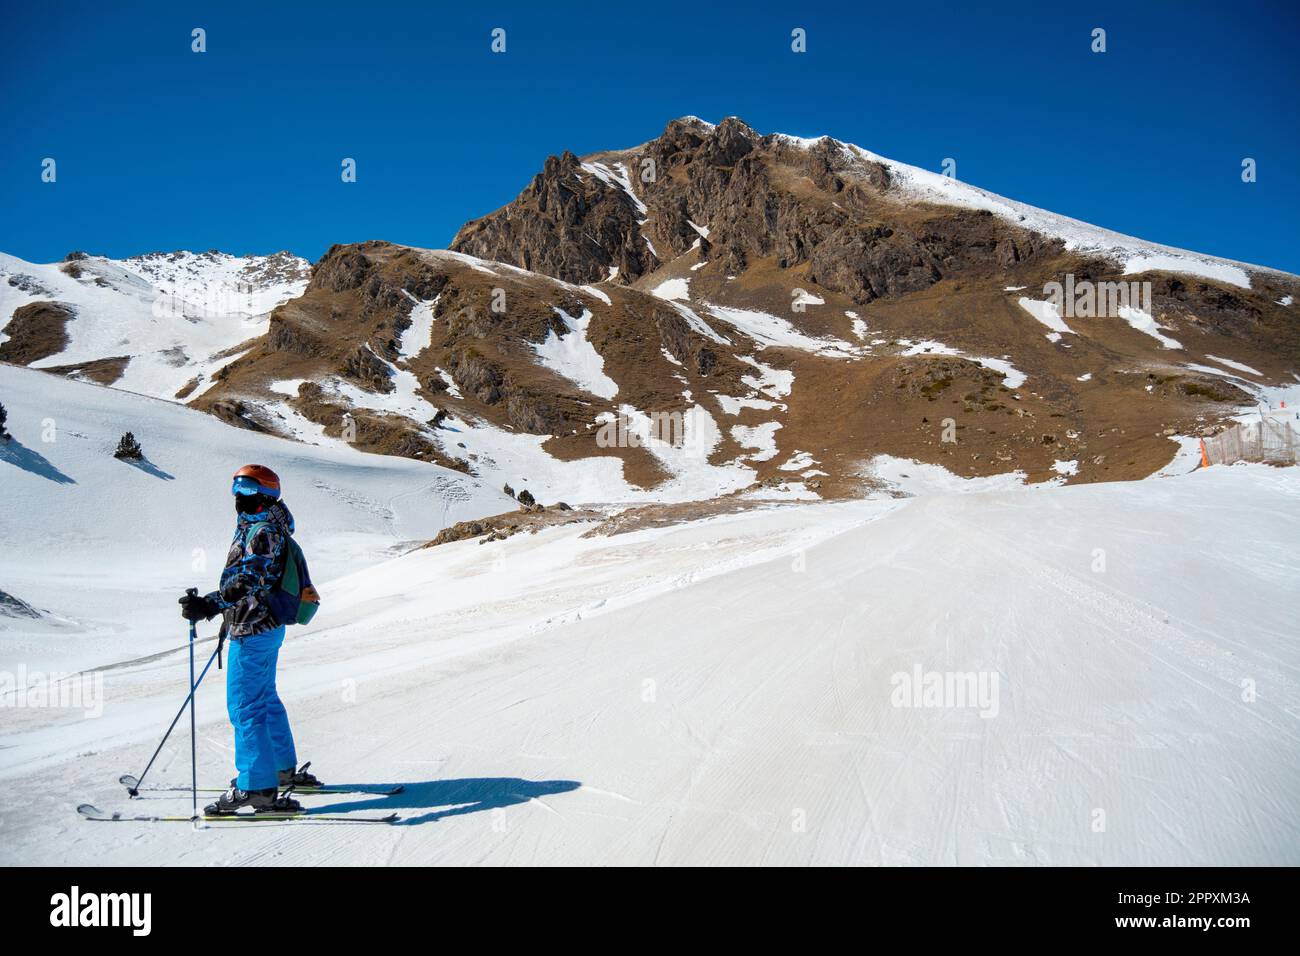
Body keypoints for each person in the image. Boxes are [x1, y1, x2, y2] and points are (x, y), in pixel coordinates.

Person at [179, 464, 320, 814]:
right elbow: (249, 581)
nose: (239, 499)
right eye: (236, 490)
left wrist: (209, 604)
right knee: (265, 700)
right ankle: (280, 768)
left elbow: (248, 581)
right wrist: (216, 606)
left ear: (266, 495)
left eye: (247, 491)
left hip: (254, 628)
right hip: (264, 626)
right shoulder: (266, 526)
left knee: (246, 707)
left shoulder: (262, 531)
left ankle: (255, 787)